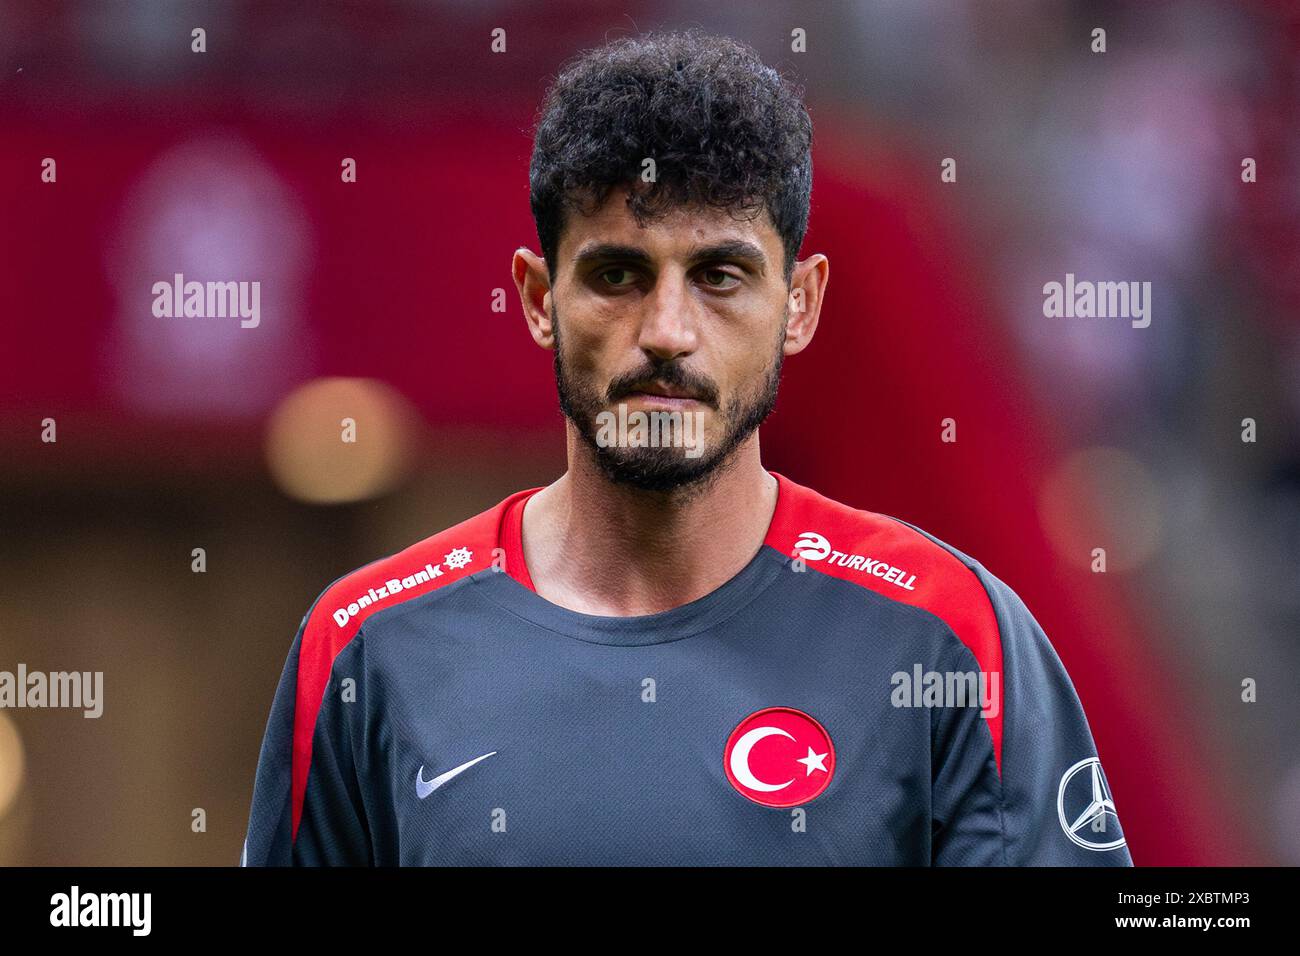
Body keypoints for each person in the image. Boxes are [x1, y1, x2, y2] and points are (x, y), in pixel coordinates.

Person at [242, 29, 1130, 866]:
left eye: (719, 276)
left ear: (801, 304)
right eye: (618, 275)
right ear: (538, 297)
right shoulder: (368, 649)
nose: (667, 331)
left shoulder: (950, 637)